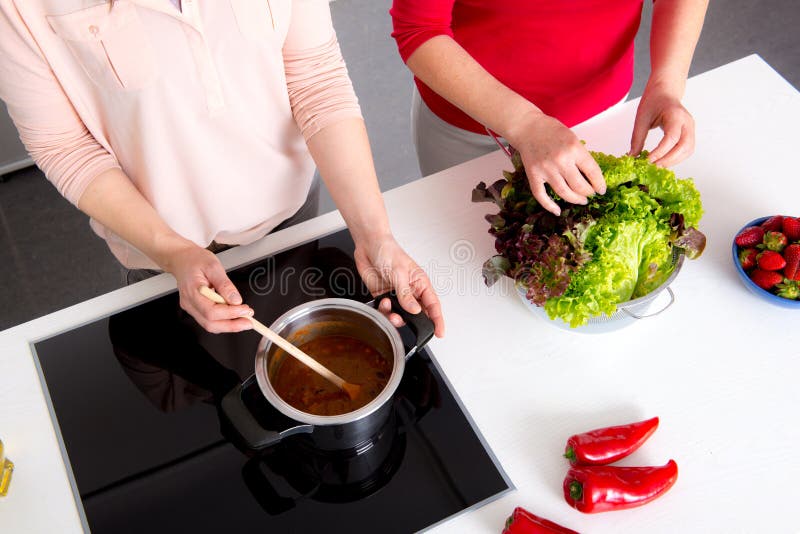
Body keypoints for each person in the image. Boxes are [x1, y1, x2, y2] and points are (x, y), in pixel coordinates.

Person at [0, 0, 443, 337]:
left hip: (289, 210)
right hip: (158, 252)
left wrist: (374, 237)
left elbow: (316, 77)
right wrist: (174, 252)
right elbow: (63, 144)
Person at [390, 0, 709, 215]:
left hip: (601, 116)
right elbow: (419, 29)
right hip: (473, 128)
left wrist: (667, 83)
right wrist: (527, 124)